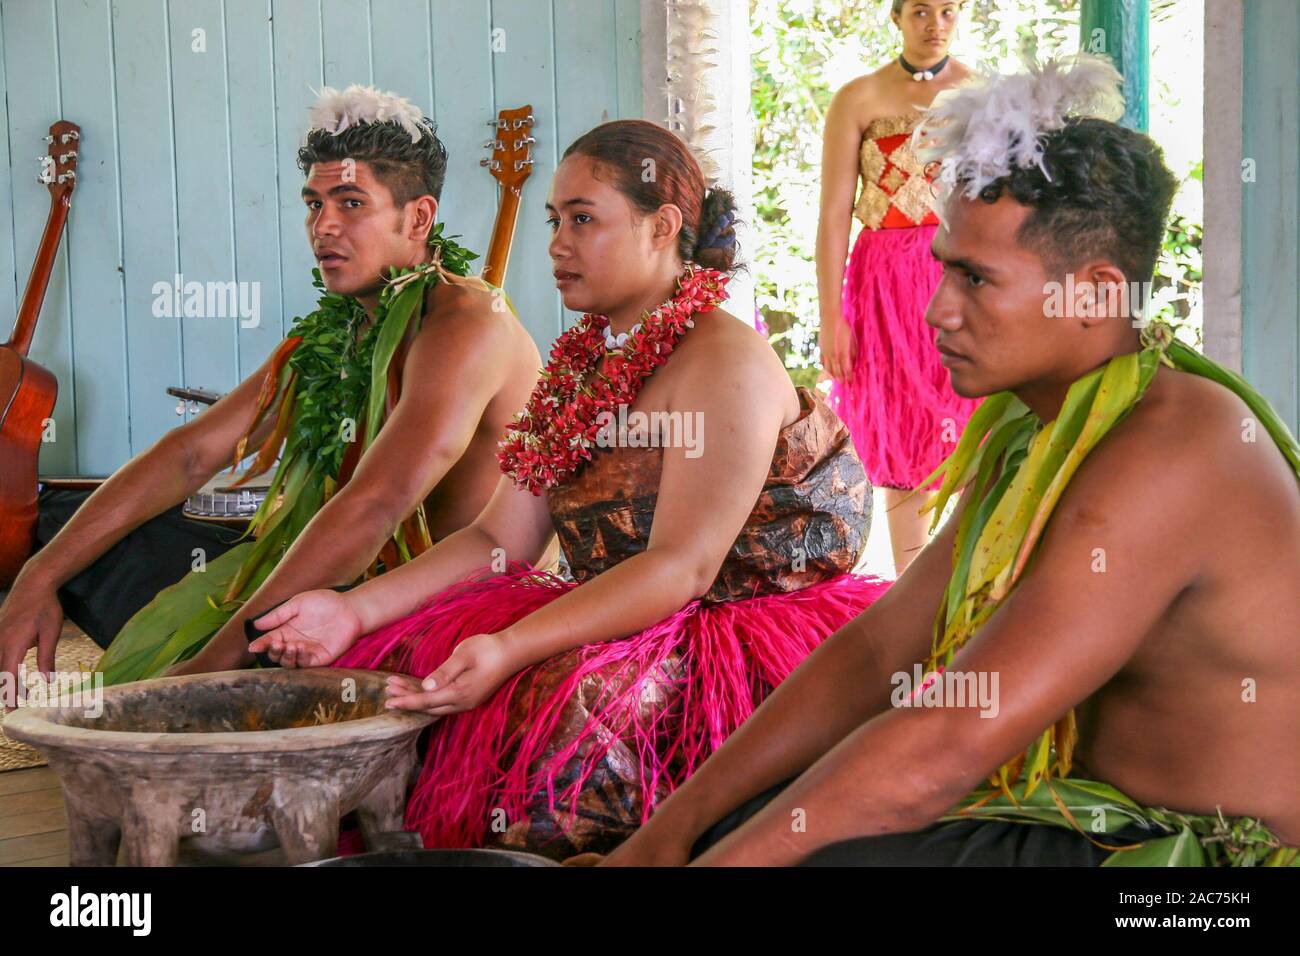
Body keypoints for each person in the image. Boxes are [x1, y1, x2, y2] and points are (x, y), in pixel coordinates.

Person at [592, 57, 1300, 867]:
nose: (936, 309)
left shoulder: (1176, 448)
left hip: (1207, 884)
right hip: (1092, 823)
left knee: (818, 856)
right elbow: (876, 652)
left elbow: (944, 746)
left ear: (1099, 293)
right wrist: (666, 836)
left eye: (975, 278)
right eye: (942, 268)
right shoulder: (1041, 429)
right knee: (753, 819)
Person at [247, 119, 891, 860]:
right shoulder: (584, 362)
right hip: (626, 614)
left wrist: (510, 647)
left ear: (663, 227)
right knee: (389, 672)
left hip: (729, 638)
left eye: (584, 219)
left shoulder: (723, 361)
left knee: (562, 711)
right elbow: (498, 541)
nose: (556, 242)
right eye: (555, 219)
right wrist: (352, 609)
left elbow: (681, 568)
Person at [0, 85, 540, 684]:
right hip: (334, 585)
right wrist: (36, 576)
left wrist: (211, 672)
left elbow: (376, 504)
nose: (324, 226)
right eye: (313, 204)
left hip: (430, 610)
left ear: (418, 218)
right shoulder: (335, 332)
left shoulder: (467, 322)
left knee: (219, 645)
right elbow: (191, 454)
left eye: (351, 202)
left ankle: (219, 683)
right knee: (60, 520)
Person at [818, 0, 980, 574]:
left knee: (969, 416)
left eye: (947, 11)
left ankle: (969, 585)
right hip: (882, 281)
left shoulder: (982, 94)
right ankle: (911, 584)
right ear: (896, 17)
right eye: (919, 11)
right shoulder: (858, 98)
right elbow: (835, 213)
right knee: (900, 425)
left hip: (960, 270)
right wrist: (830, 315)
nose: (934, 24)